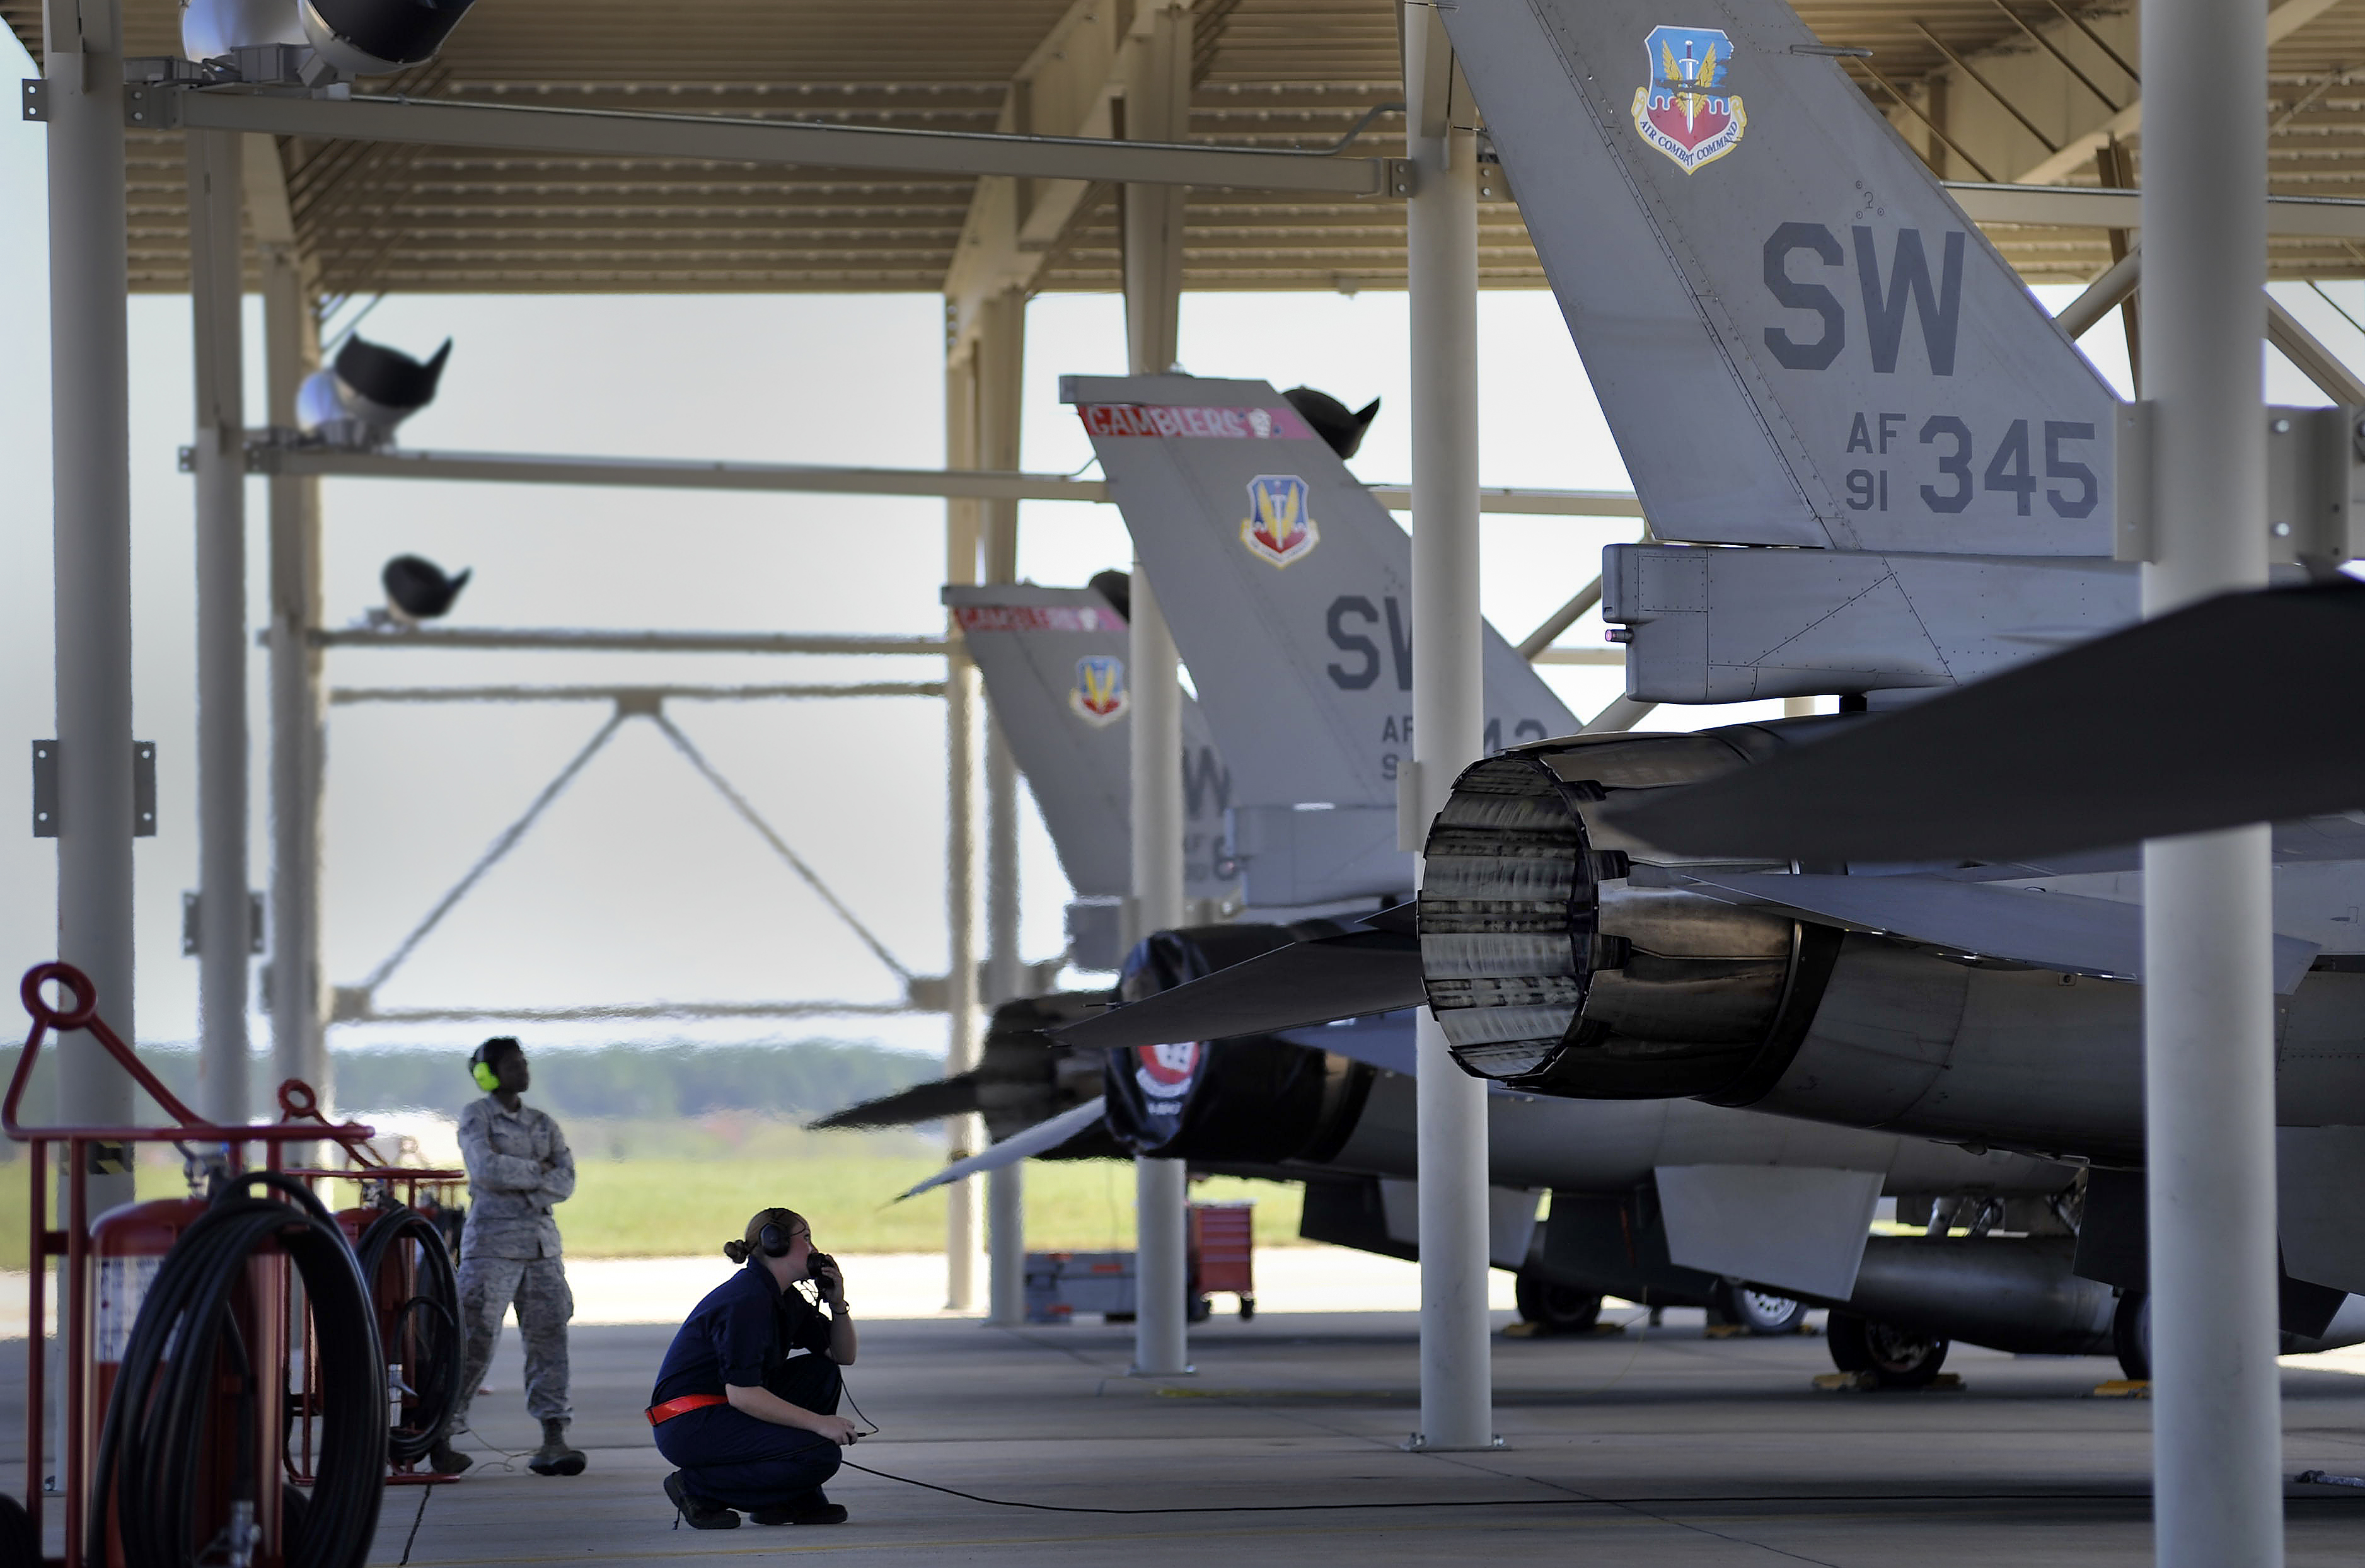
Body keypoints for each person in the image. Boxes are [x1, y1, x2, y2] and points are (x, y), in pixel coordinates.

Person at [646, 1208, 860, 1528]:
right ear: (777, 1244)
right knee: (819, 1455)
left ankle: (790, 1498)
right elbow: (743, 1395)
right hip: (692, 1424)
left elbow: (841, 1354)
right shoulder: (748, 1301)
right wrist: (819, 1424)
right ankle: (696, 1488)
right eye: (807, 1239)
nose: (815, 1250)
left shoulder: (782, 1296)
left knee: (822, 1372)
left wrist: (837, 1304)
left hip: (723, 1410)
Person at [432, 1036, 586, 1478]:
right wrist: (537, 1172)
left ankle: (554, 1437)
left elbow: (566, 1180)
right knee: (474, 1339)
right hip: (492, 1248)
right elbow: (485, 1169)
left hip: (541, 1248)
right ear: (488, 1073)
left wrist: (522, 1175)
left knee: (549, 1340)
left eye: (524, 1063)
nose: (524, 1071)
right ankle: (441, 1435)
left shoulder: (543, 1122)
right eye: (513, 1064)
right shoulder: (476, 1117)